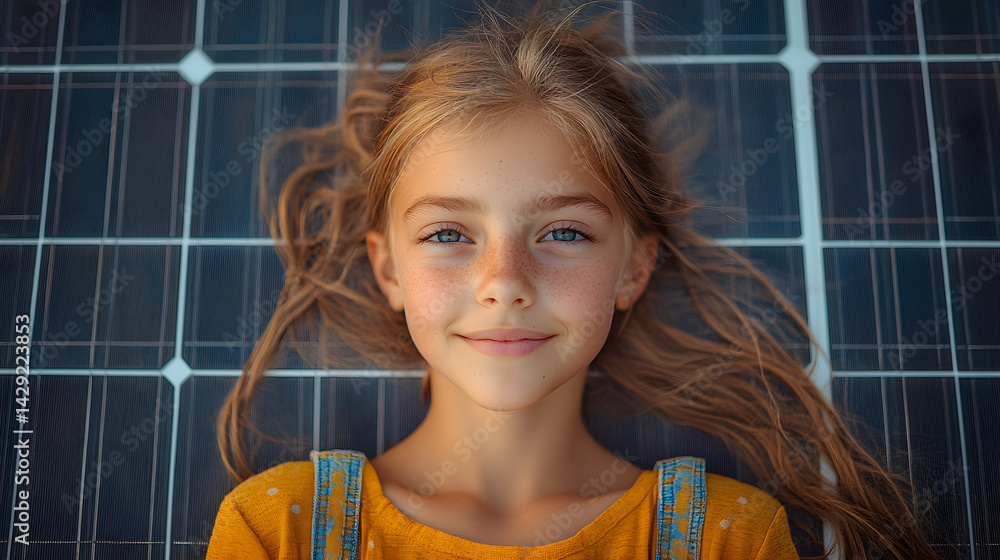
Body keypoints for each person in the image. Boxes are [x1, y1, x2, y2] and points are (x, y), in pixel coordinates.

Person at [206, 2, 941, 558]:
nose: (505, 282)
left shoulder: (729, 538)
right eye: (449, 235)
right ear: (387, 267)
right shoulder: (280, 527)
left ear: (635, 267)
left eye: (563, 233)